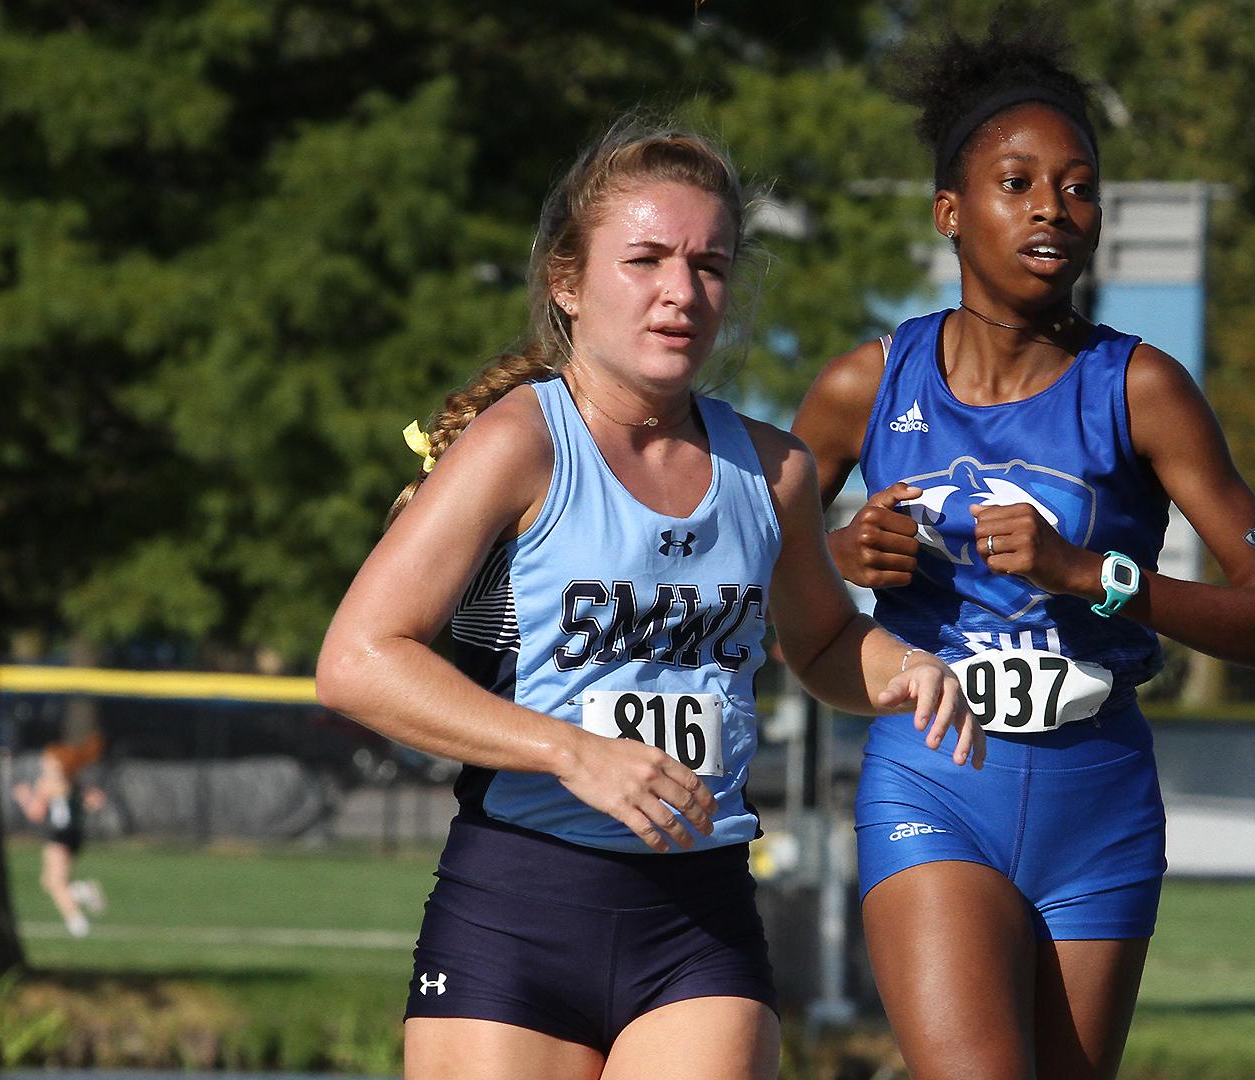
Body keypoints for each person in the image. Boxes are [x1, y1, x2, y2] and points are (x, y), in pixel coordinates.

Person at [315, 121, 981, 1080]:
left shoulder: (776, 470)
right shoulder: (519, 444)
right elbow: (358, 661)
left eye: (709, 265)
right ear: (568, 283)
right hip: (518, 911)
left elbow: (825, 644)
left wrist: (906, 666)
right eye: (646, 259)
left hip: (700, 923)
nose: (682, 291)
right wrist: (572, 752)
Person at [791, 23, 1255, 1080]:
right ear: (949, 211)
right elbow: (753, 561)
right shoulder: (865, 386)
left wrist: (1090, 575)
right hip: (935, 780)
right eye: (1018, 183)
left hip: (1101, 793)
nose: (1051, 208)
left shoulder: (1143, 389)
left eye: (1079, 189)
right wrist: (841, 548)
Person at [10, 733, 108, 938]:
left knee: (56, 883)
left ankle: (78, 924)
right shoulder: (74, 782)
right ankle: (83, 891)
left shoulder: (47, 784)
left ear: (57, 763)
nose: (42, 762)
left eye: (47, 759)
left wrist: (24, 797)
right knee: (48, 881)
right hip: (75, 835)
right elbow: (96, 799)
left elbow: (36, 813)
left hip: (58, 834)